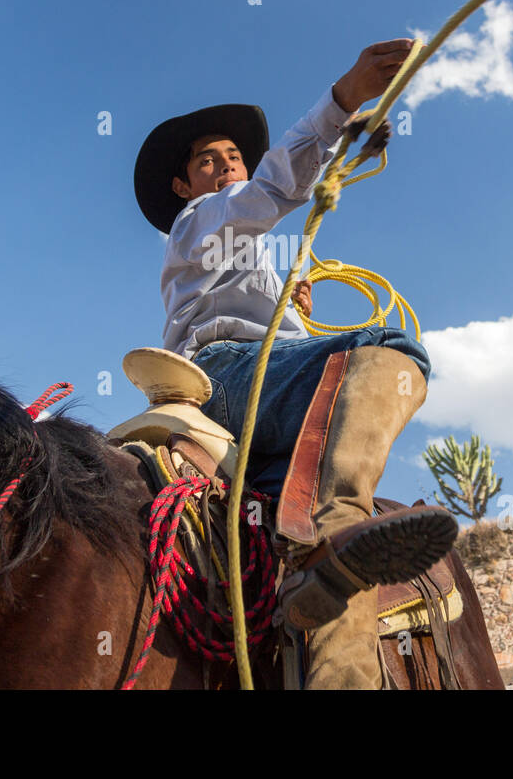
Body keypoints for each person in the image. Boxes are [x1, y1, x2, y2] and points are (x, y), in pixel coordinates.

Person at [133, 39, 456, 688]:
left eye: (232, 158)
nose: (225, 167)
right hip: (225, 374)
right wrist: (342, 102)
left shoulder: (250, 249)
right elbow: (267, 194)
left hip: (268, 377)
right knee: (389, 351)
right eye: (208, 161)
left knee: (317, 531)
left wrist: (291, 305)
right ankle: (336, 540)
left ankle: (337, 644)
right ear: (183, 185)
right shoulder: (197, 221)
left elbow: (262, 220)